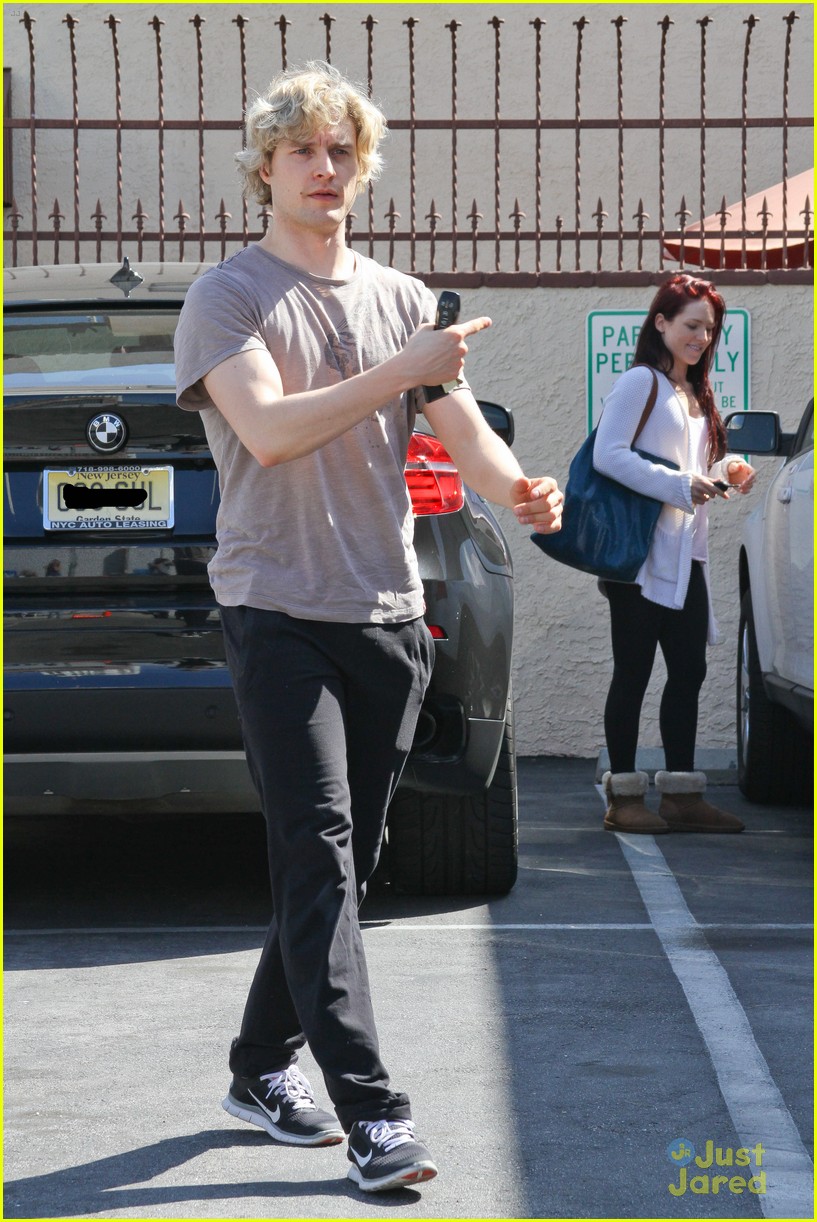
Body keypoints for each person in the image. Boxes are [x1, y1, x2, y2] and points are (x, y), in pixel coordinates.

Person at [172, 60, 562, 1193]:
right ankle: (376, 1112)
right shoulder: (230, 296)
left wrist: (515, 488)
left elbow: (458, 432)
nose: (327, 168)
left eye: (342, 151)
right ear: (266, 166)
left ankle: (257, 1064)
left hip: (386, 615)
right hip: (275, 607)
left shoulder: (401, 296)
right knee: (317, 847)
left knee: (339, 867)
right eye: (304, 150)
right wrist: (401, 365)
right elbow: (274, 429)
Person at [593, 274, 755, 835]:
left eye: (709, 329)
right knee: (633, 673)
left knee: (689, 669)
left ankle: (683, 796)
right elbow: (608, 455)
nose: (702, 337)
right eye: (691, 325)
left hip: (687, 555)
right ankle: (624, 797)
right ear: (660, 323)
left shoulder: (697, 394)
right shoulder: (640, 381)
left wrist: (723, 473)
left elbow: (687, 470)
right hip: (638, 558)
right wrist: (683, 485)